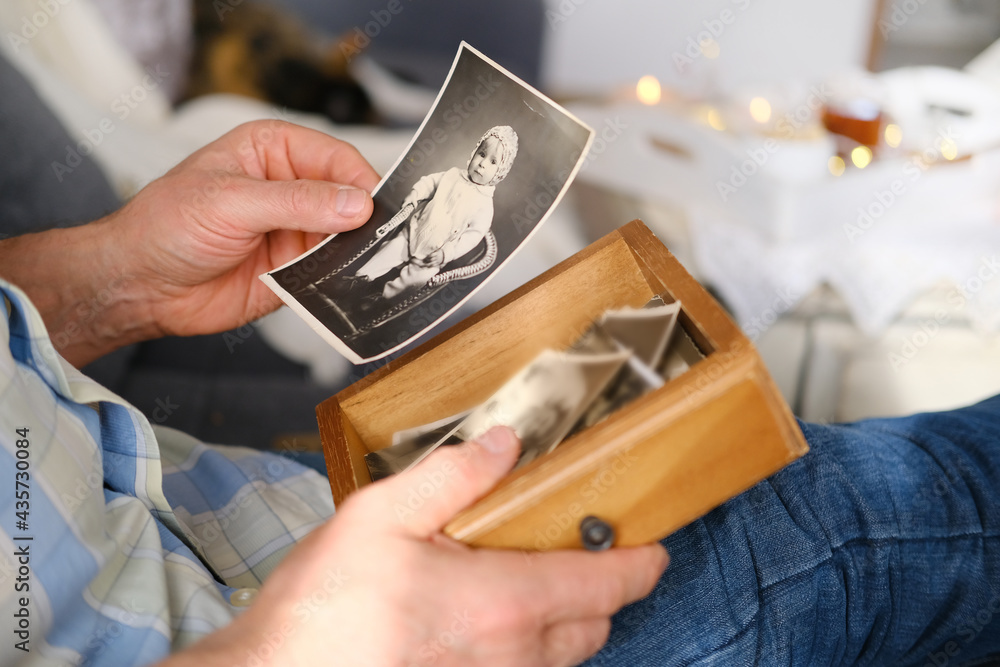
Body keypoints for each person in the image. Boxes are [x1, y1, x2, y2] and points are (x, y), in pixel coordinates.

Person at [1, 120, 999, 667]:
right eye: (483, 155)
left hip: (303, 518)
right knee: (878, 515)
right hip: (355, 639)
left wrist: (108, 275)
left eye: (490, 156)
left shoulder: (469, 196)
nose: (483, 160)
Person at [345, 125, 519, 301]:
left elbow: (472, 236)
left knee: (415, 281)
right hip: (411, 234)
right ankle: (357, 281)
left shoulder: (484, 206)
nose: (482, 163)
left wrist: (447, 253)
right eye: (482, 154)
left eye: (493, 162)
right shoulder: (452, 175)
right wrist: (414, 197)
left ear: (500, 173)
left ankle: (380, 299)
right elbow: (428, 183)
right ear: (474, 152)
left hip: (432, 256)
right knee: (387, 252)